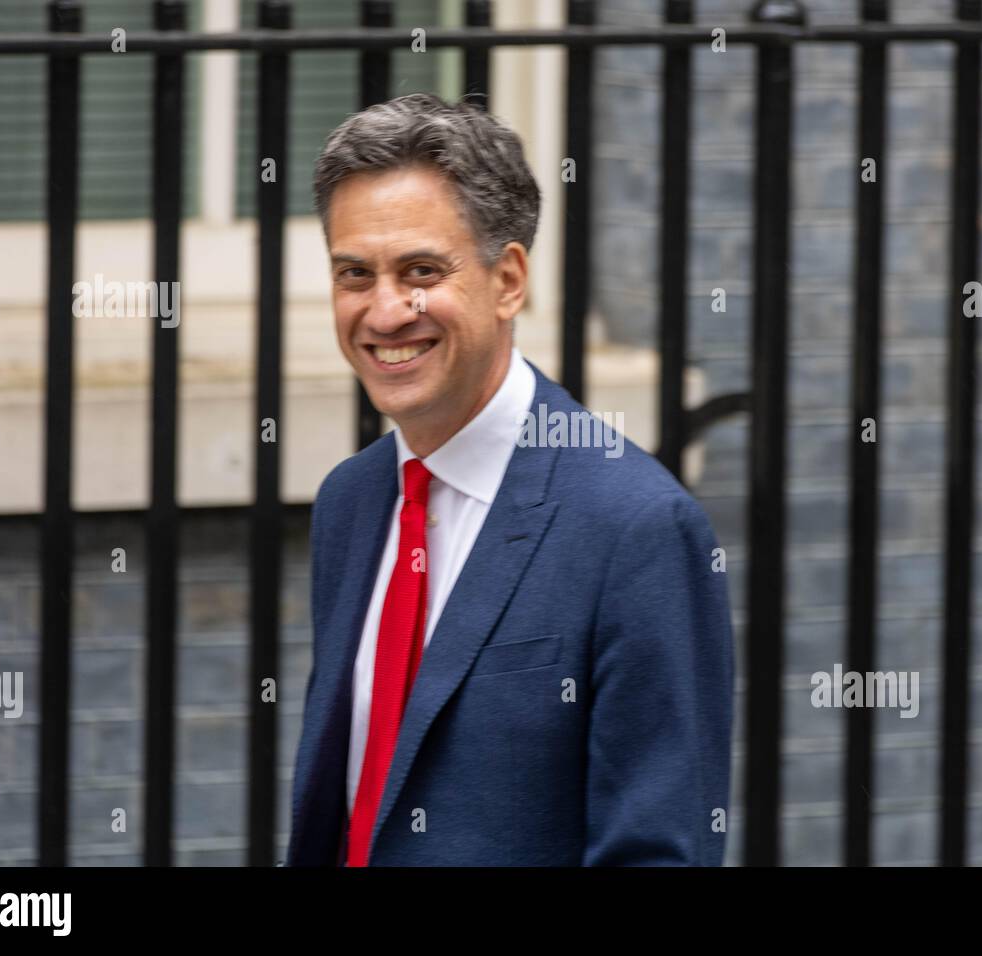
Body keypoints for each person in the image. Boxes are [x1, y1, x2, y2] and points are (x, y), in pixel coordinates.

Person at [287, 93, 734, 866]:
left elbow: (657, 851)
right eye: (354, 274)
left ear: (508, 280)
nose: (385, 311)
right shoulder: (350, 502)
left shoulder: (636, 527)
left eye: (421, 271)